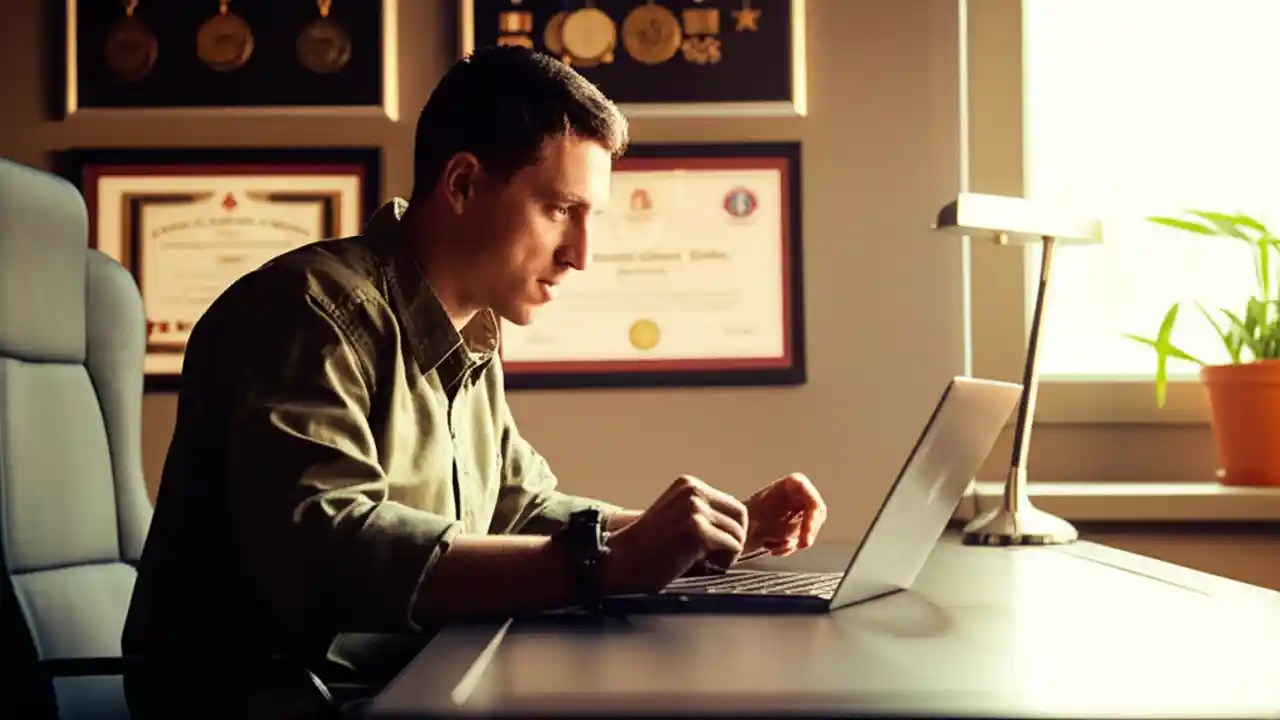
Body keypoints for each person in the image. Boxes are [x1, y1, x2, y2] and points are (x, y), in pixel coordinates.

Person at [122, 46, 827, 717]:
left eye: (592, 219)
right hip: (290, 703)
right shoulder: (309, 310)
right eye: (560, 210)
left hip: (414, 678)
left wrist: (714, 534)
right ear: (462, 184)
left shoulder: (469, 331)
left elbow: (522, 508)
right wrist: (606, 564)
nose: (582, 254)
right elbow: (330, 550)